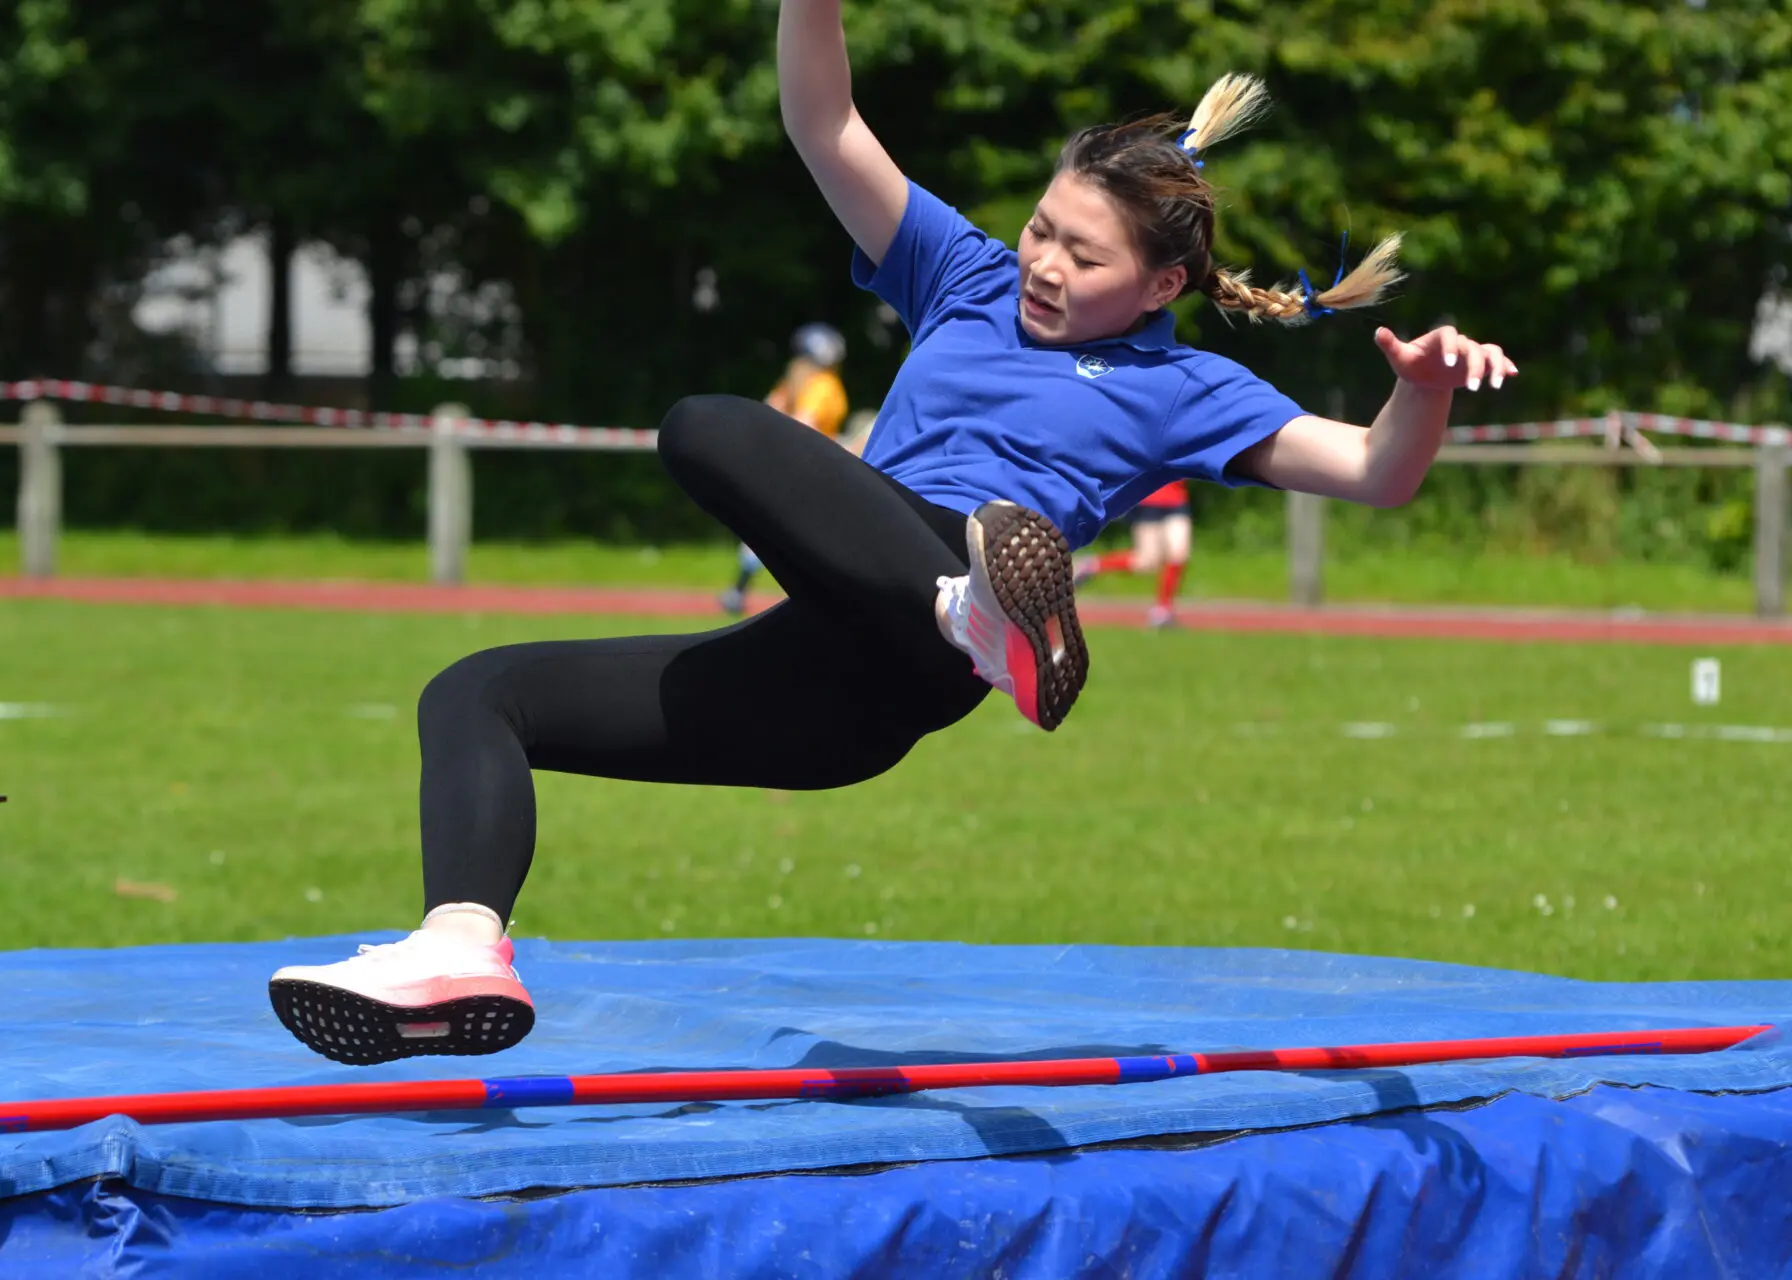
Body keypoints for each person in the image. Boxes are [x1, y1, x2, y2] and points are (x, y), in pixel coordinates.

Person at [267, 4, 1517, 1065]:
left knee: (711, 424)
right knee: (477, 690)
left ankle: (979, 609)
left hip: (938, 627)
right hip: (832, 692)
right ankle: (459, 949)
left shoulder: (1187, 388)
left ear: (1162, 286)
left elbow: (1374, 473)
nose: (1041, 264)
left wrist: (1424, 388)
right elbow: (824, 122)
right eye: (1041, 227)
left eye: (1082, 256)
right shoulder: (962, 275)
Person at [720, 323, 851, 615]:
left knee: (772, 531)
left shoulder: (797, 383)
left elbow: (768, 413)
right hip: (810, 469)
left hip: (786, 466)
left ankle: (740, 591)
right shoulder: (824, 385)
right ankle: (820, 598)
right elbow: (803, 424)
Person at [1073, 480, 1193, 627]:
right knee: (1145, 562)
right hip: (1149, 500)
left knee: (1178, 553)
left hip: (1177, 499)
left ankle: (1163, 611)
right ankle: (1092, 565)